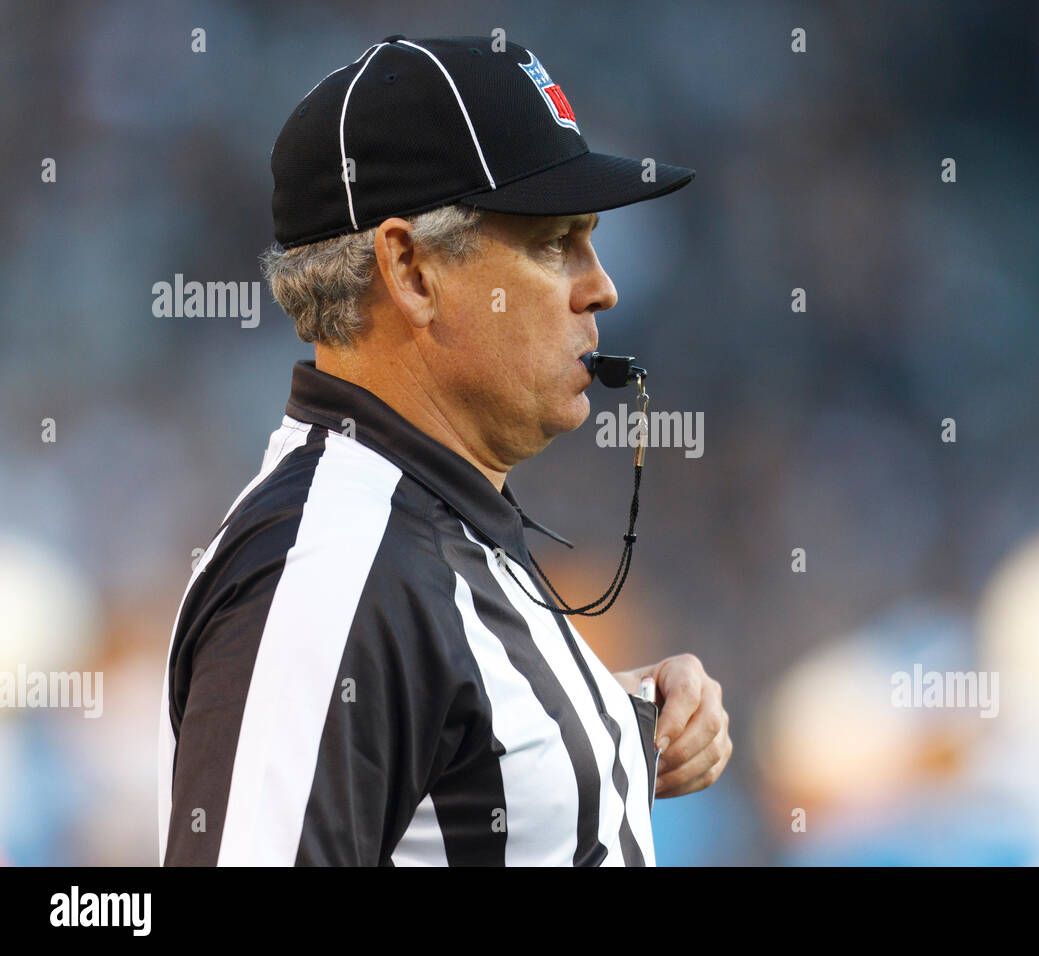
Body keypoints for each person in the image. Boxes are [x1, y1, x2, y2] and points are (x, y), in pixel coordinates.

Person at [157, 35, 731, 866]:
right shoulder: (328, 566)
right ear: (411, 270)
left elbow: (445, 764)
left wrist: (612, 727)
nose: (601, 284)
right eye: (552, 241)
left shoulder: (418, 518)